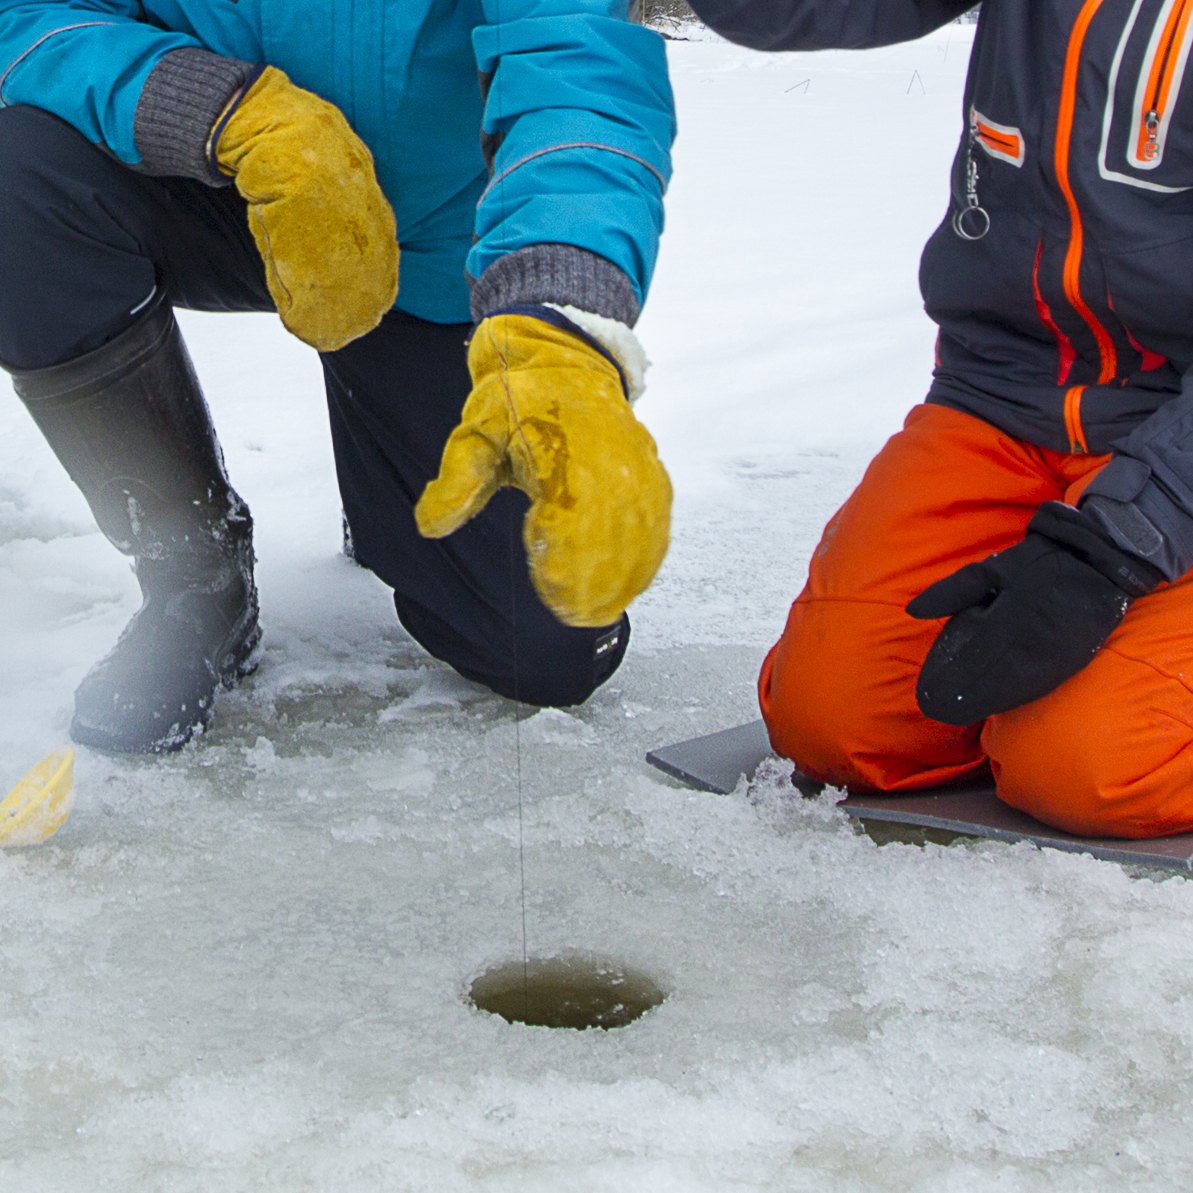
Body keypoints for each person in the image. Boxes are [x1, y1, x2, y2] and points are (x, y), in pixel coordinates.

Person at [0, 0, 675, 754]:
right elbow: (31, 14)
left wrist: (560, 316)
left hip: (438, 244)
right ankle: (196, 574)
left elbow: (574, 68)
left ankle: (385, 479)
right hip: (217, 178)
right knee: (18, 176)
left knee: (541, 647)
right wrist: (222, 110)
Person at [686, 0, 1193, 839]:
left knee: (1090, 766)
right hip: (1002, 397)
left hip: (1174, 434)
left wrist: (1115, 546)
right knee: (833, 721)